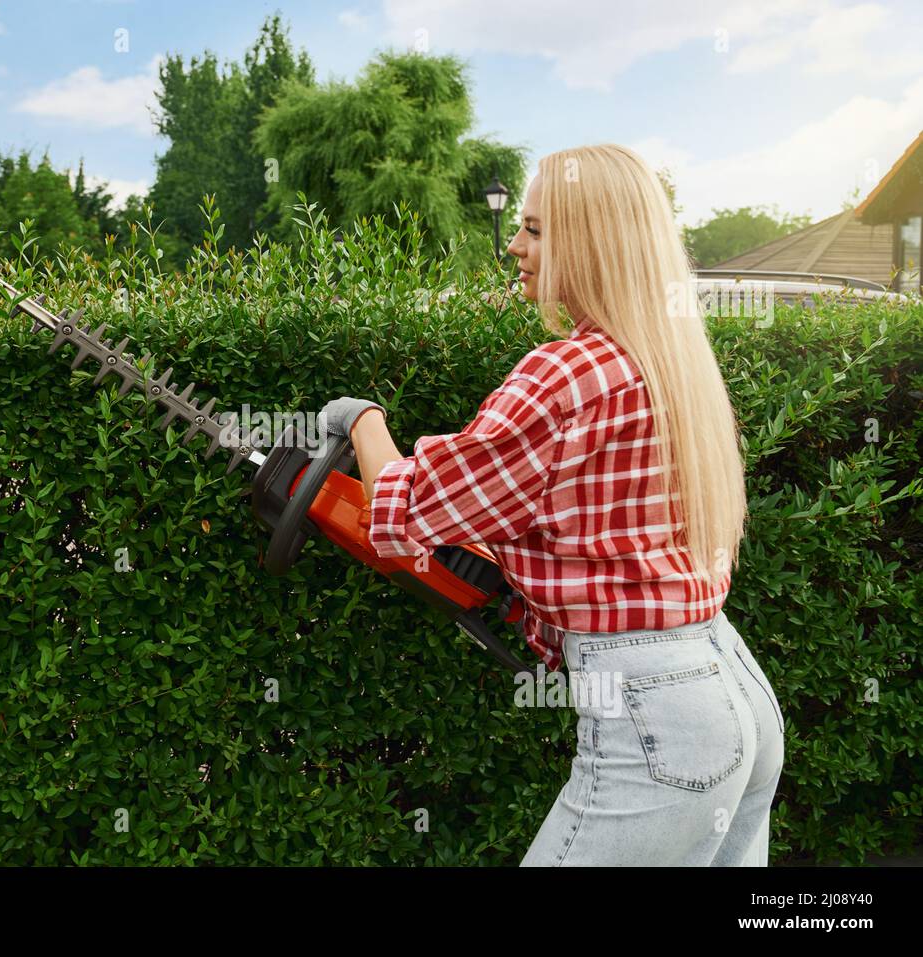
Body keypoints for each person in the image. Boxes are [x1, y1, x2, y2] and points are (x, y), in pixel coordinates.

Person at [318, 144, 785, 866]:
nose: (513, 246)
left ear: (590, 240)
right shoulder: (670, 358)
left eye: (534, 229)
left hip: (658, 715)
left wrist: (360, 419)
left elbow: (404, 508)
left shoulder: (569, 370)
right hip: (732, 683)